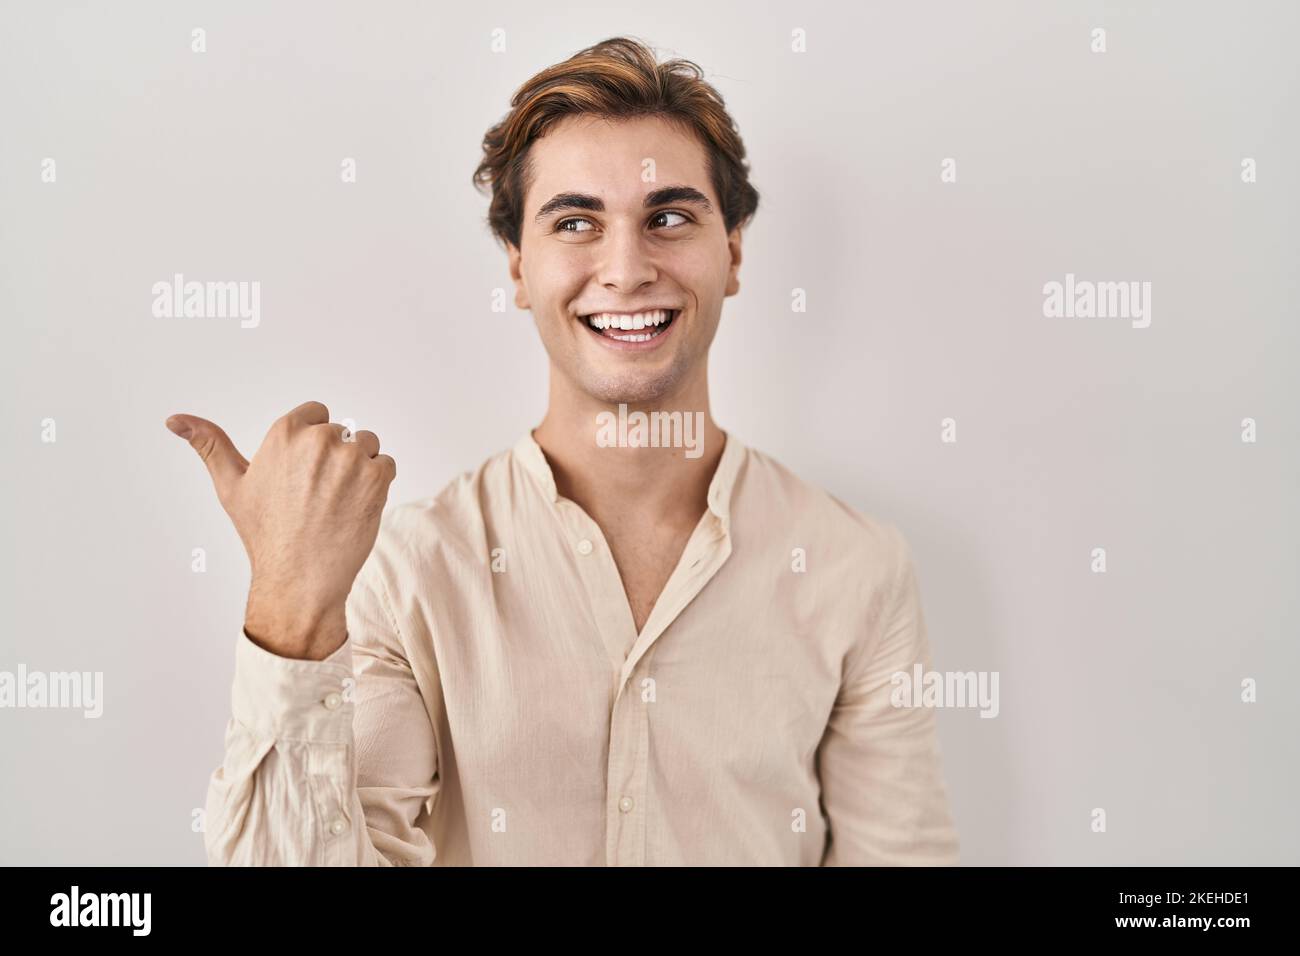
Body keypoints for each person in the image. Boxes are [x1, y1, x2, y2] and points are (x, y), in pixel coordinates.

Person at [165, 36, 959, 866]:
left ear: (731, 251)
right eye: (575, 221)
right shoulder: (406, 574)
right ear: (517, 263)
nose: (625, 269)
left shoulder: (855, 568)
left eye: (670, 217)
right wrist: (292, 613)